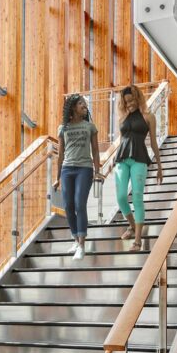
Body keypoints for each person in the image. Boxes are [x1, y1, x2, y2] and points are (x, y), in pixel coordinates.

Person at [52, 93, 102, 261]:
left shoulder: (90, 127)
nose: (84, 106)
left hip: (84, 169)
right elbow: (60, 154)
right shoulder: (63, 128)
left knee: (80, 204)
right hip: (67, 169)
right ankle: (75, 239)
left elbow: (95, 150)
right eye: (81, 103)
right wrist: (57, 177)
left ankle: (81, 245)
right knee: (67, 205)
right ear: (73, 107)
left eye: (85, 103)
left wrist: (97, 171)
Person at [114, 84, 162, 251]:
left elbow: (154, 143)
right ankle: (132, 225)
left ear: (138, 98)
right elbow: (121, 141)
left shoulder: (149, 116)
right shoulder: (123, 118)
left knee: (137, 197)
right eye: (126, 102)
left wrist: (159, 167)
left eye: (132, 100)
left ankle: (137, 241)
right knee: (120, 197)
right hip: (122, 159)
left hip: (139, 159)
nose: (130, 104)